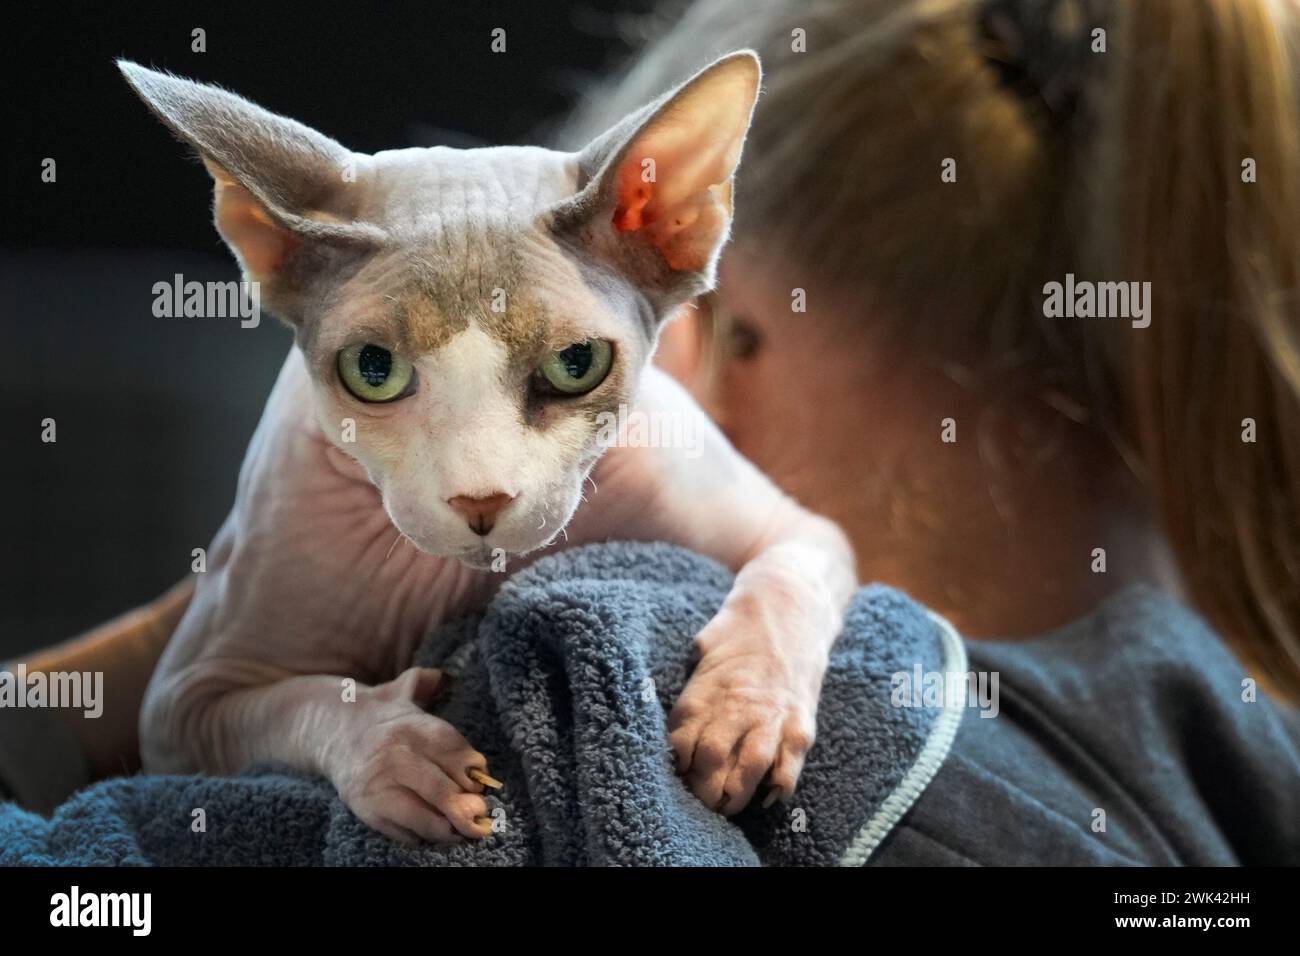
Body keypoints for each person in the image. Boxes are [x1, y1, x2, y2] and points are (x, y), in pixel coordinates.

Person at [5, 0, 1298, 860]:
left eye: (566, 362)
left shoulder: (581, 686)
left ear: (699, 312)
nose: (481, 484)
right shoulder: (1209, 753)